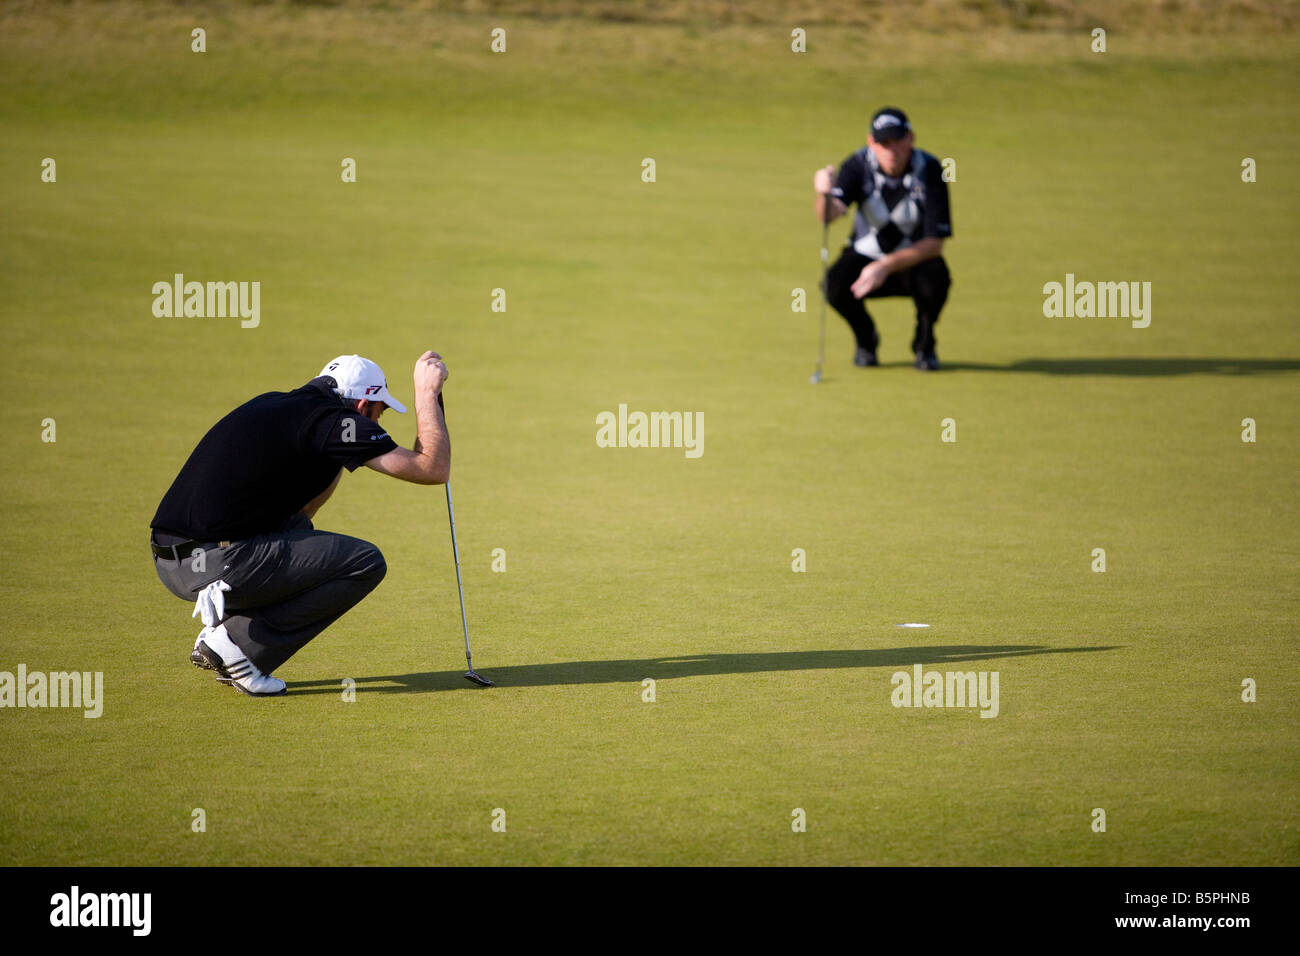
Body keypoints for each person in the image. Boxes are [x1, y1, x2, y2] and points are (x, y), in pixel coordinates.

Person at [149, 351, 450, 697]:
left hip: (172, 560)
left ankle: (224, 634)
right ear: (363, 405)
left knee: (299, 531)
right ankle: (239, 648)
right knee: (364, 563)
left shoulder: (281, 406)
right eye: (379, 413)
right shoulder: (335, 422)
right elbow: (433, 468)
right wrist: (426, 394)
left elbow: (303, 511)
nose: (377, 426)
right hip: (211, 561)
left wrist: (341, 458)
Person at [813, 107, 953, 370]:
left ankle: (925, 344)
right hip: (866, 254)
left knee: (937, 280)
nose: (891, 150)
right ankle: (866, 339)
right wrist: (824, 194)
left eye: (897, 141)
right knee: (833, 286)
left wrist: (884, 266)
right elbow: (829, 216)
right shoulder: (856, 166)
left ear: (910, 138)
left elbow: (935, 242)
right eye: (883, 143)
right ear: (871, 143)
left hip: (913, 258)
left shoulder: (931, 169)